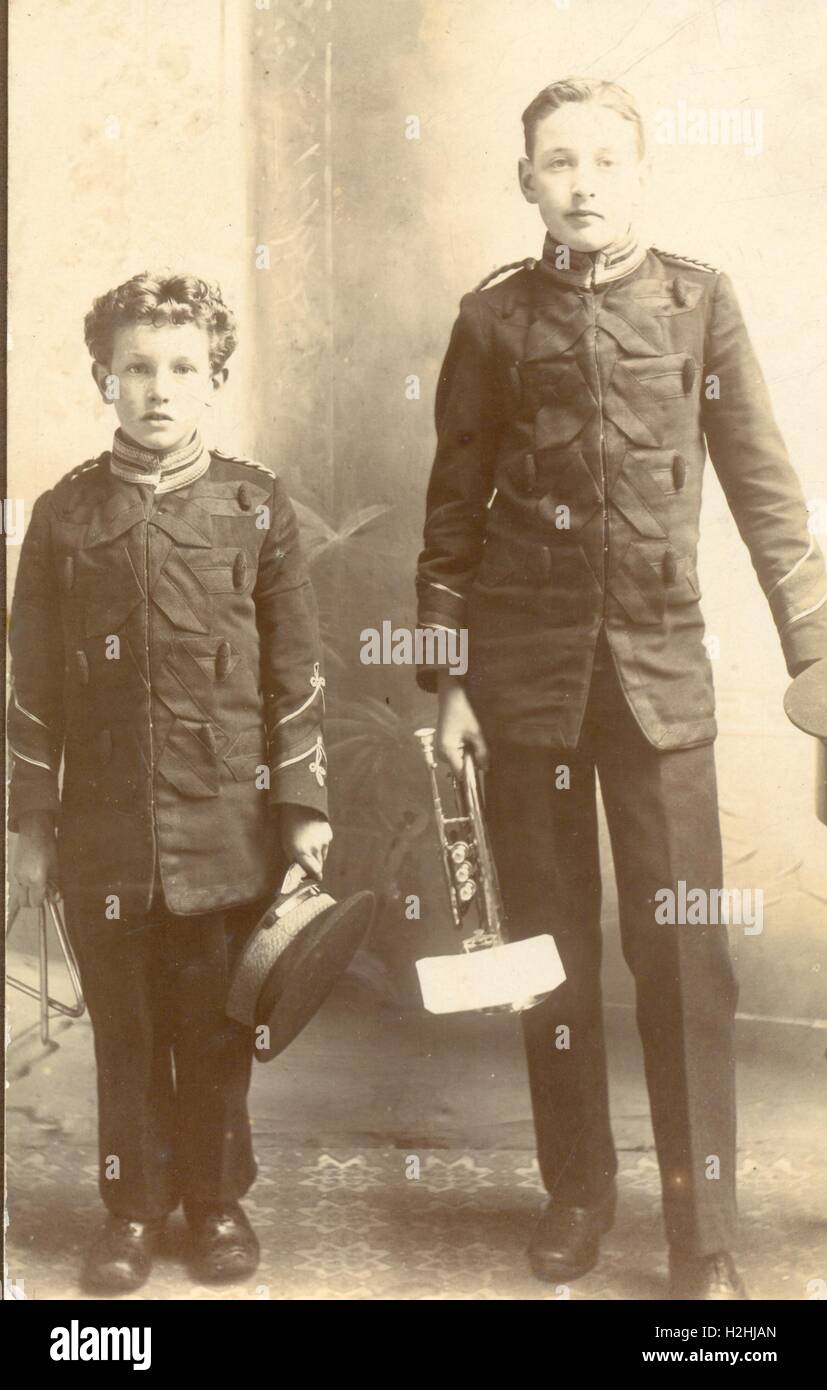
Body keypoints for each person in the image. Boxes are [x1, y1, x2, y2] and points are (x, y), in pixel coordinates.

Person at [415, 78, 827, 1300]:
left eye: (604, 159)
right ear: (525, 180)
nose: (582, 181)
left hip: (658, 683)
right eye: (556, 161)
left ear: (641, 175)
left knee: (686, 955)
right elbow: (450, 515)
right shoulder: (489, 322)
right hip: (522, 684)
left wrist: (816, 655)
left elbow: (765, 494)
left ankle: (701, 1231)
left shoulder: (701, 305)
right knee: (547, 955)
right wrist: (446, 680)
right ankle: (576, 1191)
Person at [8, 272, 332, 1293]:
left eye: (183, 368)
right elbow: (29, 691)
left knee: (215, 1025)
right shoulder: (63, 517)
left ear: (216, 378)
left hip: (227, 830)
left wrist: (302, 811)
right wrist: (31, 826)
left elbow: (297, 674)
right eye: (137, 368)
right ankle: (130, 1212)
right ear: (104, 377)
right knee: (127, 1030)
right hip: (104, 835)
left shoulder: (256, 505)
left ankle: (218, 1200)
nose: (159, 388)